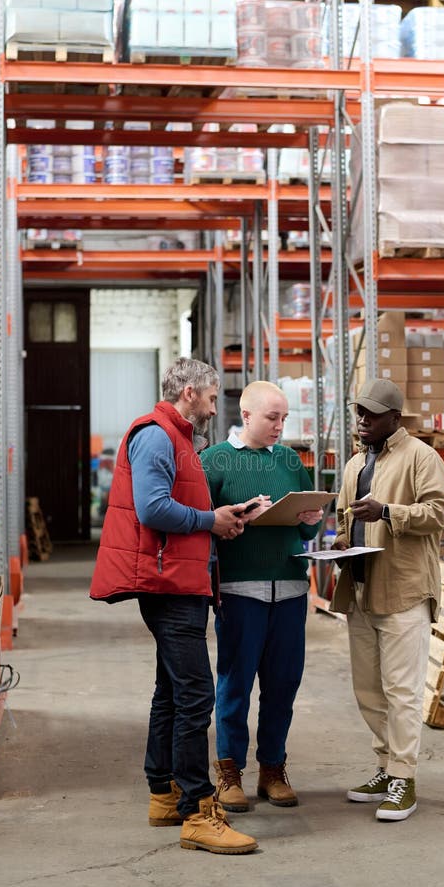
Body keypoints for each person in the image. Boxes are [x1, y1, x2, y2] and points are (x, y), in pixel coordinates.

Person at [90, 357, 258, 855]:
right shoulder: (157, 436)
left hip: (181, 580)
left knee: (171, 692)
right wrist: (210, 520)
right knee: (196, 696)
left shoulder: (180, 439)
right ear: (189, 393)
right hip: (168, 586)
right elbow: (153, 508)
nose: (214, 407)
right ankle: (197, 811)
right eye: (211, 397)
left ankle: (163, 793)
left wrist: (221, 519)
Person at [201, 380, 323, 812]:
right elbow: (201, 525)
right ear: (247, 415)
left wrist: (311, 518)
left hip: (290, 588)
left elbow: (307, 527)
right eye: (273, 417)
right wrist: (236, 519)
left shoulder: (289, 460)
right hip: (240, 590)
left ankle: (272, 768)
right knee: (235, 683)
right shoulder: (214, 461)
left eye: (284, 418)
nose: (279, 425)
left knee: (283, 684)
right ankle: (229, 771)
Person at [331, 378, 444, 822]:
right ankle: (385, 766)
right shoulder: (354, 464)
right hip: (360, 590)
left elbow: (437, 514)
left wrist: (386, 511)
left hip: (403, 591)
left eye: (372, 413)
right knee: (368, 690)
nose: (362, 420)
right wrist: (339, 544)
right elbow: (345, 521)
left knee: (402, 692)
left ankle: (404, 777)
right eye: (359, 411)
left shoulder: (421, 457)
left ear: (395, 418)